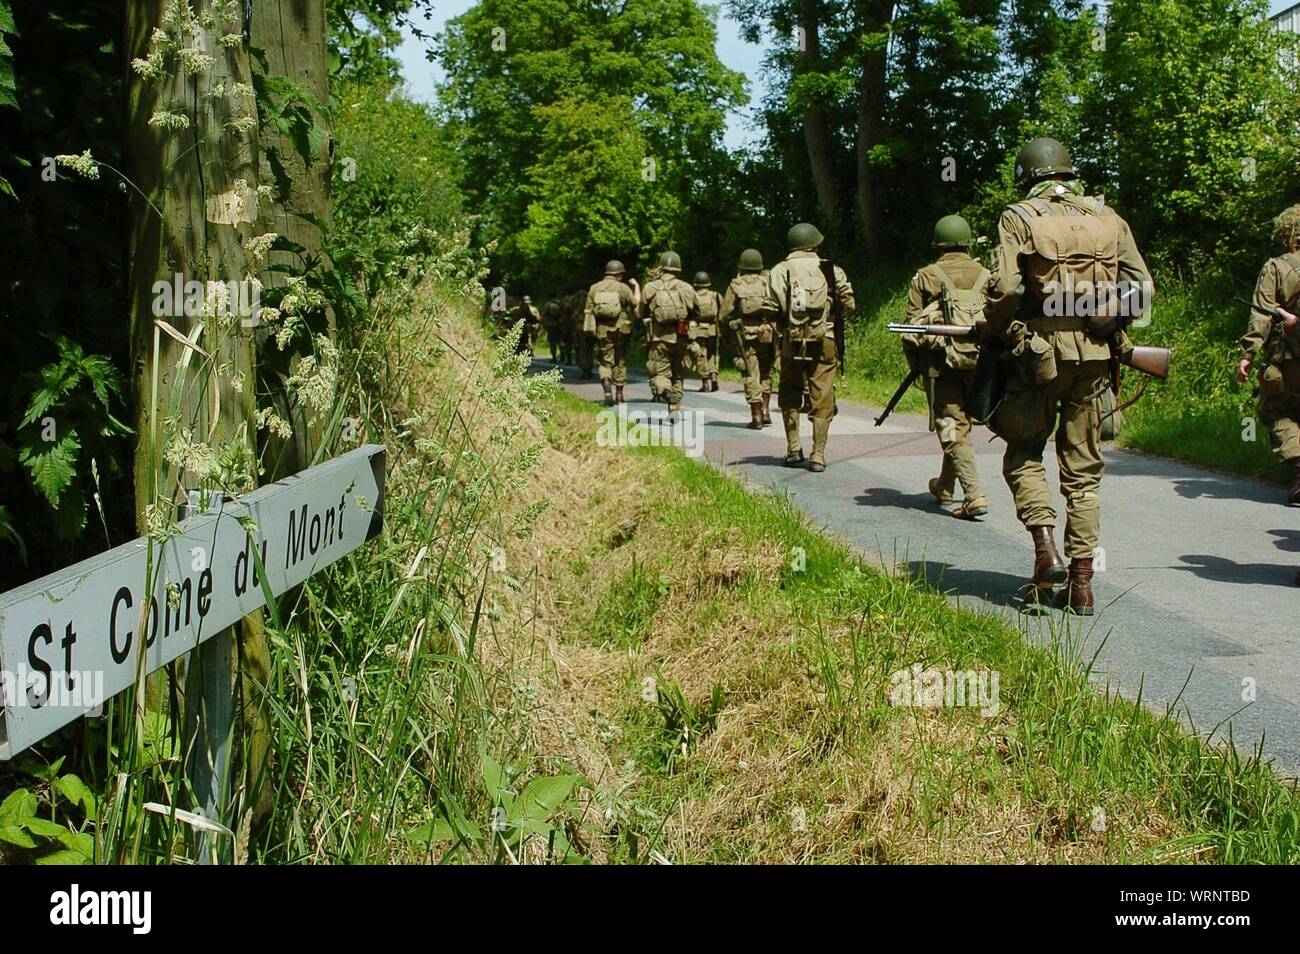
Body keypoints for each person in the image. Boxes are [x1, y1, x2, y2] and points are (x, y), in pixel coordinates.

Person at [985, 137, 1153, 614]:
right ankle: (1081, 585)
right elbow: (1142, 287)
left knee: (1022, 452)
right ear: (1067, 171)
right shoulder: (1107, 216)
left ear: (1027, 176)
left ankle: (1046, 553)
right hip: (1096, 359)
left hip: (1039, 357)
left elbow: (1003, 289)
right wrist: (1112, 318)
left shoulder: (1019, 217)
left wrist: (1002, 332)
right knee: (1083, 475)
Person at [903, 214, 990, 519]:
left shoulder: (926, 276)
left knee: (951, 426)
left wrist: (917, 367)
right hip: (982, 365)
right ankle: (945, 486)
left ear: (938, 244)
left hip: (943, 367)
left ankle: (974, 494)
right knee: (960, 426)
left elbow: (911, 329)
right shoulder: (987, 275)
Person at [1237, 204, 1300, 587]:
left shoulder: (1277, 267)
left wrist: (1247, 353)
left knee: (1278, 415)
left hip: (1286, 365)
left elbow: (1261, 313)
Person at [761, 223, 854, 472]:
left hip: (792, 340)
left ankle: (793, 450)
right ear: (815, 243)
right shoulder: (831, 269)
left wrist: (788, 326)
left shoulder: (780, 270)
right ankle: (818, 456)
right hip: (826, 339)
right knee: (822, 394)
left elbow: (770, 309)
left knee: (790, 389)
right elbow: (848, 304)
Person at [639, 252, 699, 418]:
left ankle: (666, 393)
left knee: (658, 372)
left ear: (662, 267)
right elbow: (696, 311)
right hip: (681, 336)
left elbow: (640, 312)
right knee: (678, 372)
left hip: (659, 338)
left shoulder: (650, 288)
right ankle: (675, 405)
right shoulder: (686, 288)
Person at [722, 249, 775, 429]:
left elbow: (724, 314)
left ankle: (757, 416)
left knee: (751, 374)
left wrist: (724, 335)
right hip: (768, 334)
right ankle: (766, 409)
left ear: (742, 266)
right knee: (766, 371)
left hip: (746, 336)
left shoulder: (736, 284)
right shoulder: (769, 283)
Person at [585, 260, 640, 406]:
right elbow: (635, 304)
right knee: (620, 359)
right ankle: (620, 394)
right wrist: (637, 287)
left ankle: (606, 381)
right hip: (622, 329)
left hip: (602, 329)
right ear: (619, 275)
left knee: (604, 360)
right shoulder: (623, 288)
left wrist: (589, 331)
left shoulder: (594, 288)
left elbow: (588, 311)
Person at [690, 271, 722, 392]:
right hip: (713, 329)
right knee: (714, 354)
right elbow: (722, 311)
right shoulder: (715, 295)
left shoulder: (692, 296)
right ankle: (714, 375)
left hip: (698, 329)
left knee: (701, 354)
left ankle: (705, 383)